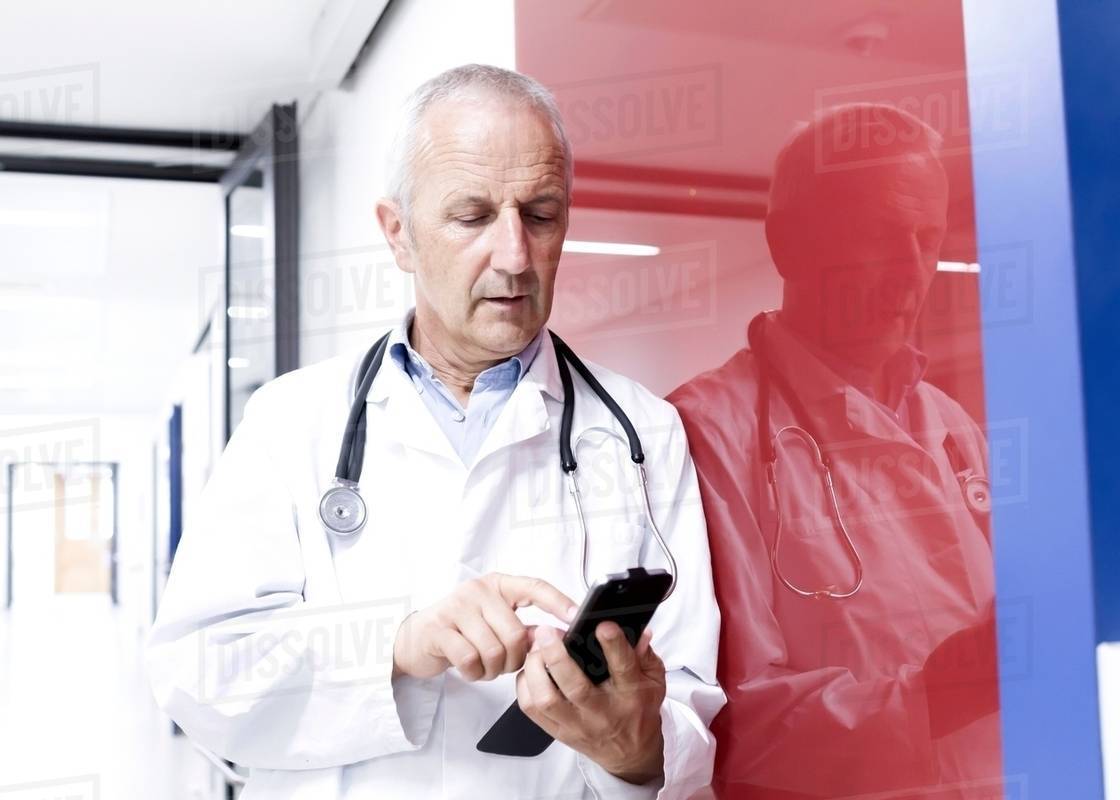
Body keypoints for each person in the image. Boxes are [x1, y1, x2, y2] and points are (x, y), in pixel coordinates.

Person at [148, 64, 723, 800]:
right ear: (399, 234)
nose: (515, 255)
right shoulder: (291, 422)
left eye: (541, 214)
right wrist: (400, 645)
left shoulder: (644, 431)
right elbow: (198, 675)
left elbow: (694, 713)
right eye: (473, 216)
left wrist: (635, 750)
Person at [668, 104, 1002, 799]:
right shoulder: (707, 434)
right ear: (789, 243)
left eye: (928, 237)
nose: (914, 272)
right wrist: (946, 690)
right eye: (880, 236)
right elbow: (729, 725)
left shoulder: (951, 427)